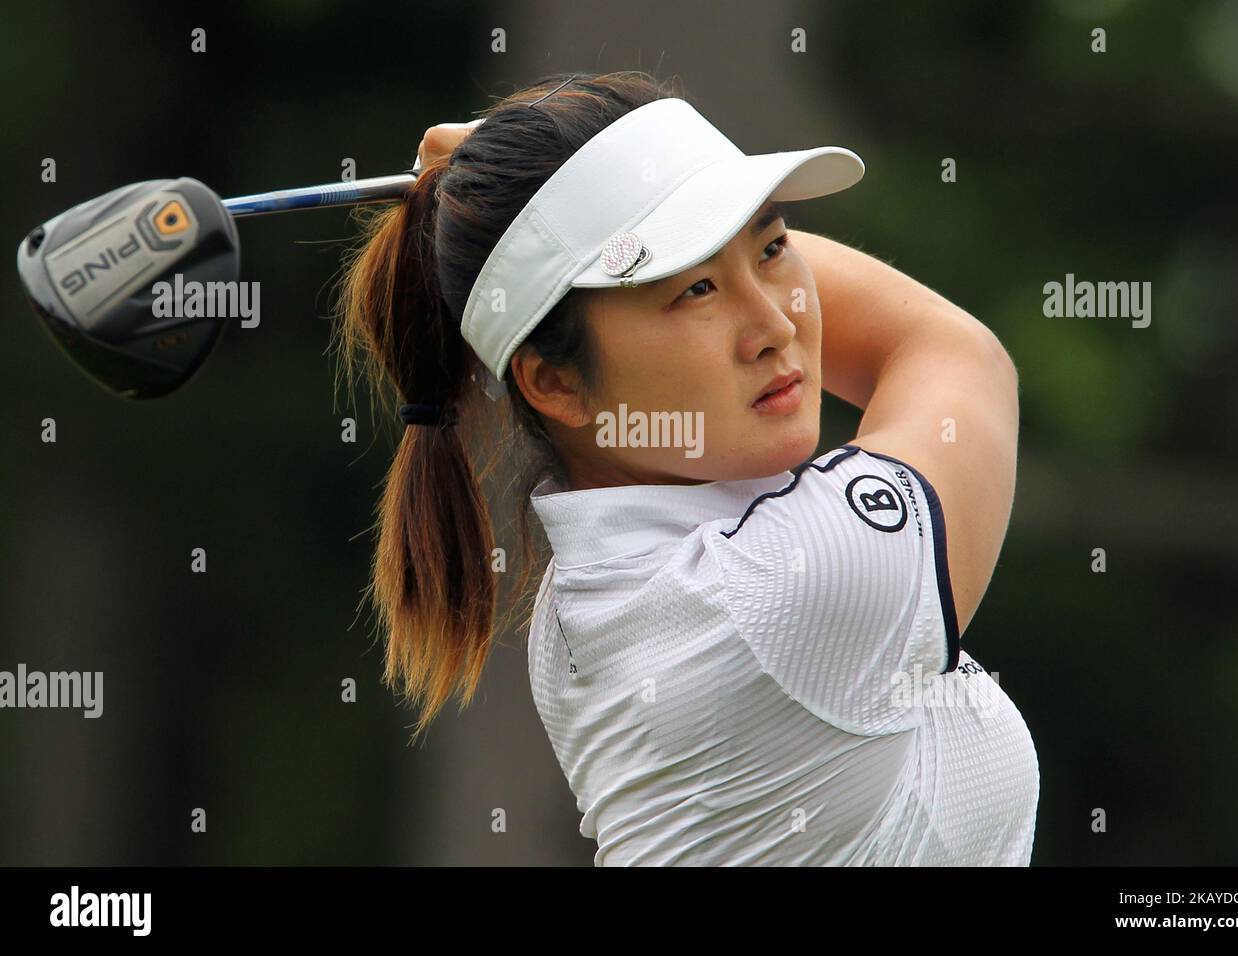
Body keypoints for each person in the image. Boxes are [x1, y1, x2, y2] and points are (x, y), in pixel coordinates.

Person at [333, 70, 1038, 865]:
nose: (775, 325)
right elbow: (950, 352)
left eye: (773, 246)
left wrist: (573, 204)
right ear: (554, 382)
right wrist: (571, 205)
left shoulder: (594, 588)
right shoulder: (791, 585)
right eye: (696, 289)